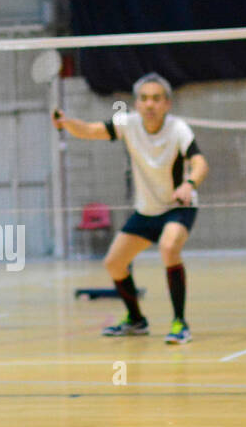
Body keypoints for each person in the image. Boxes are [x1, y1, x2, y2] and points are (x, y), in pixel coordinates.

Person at [52, 73, 208, 343]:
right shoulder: (128, 124)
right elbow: (89, 130)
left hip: (177, 206)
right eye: (144, 99)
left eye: (157, 99)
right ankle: (136, 320)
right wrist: (67, 123)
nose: (150, 105)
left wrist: (189, 184)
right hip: (146, 210)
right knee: (114, 263)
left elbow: (200, 162)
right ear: (136, 103)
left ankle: (180, 323)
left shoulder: (178, 128)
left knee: (169, 247)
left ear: (167, 104)